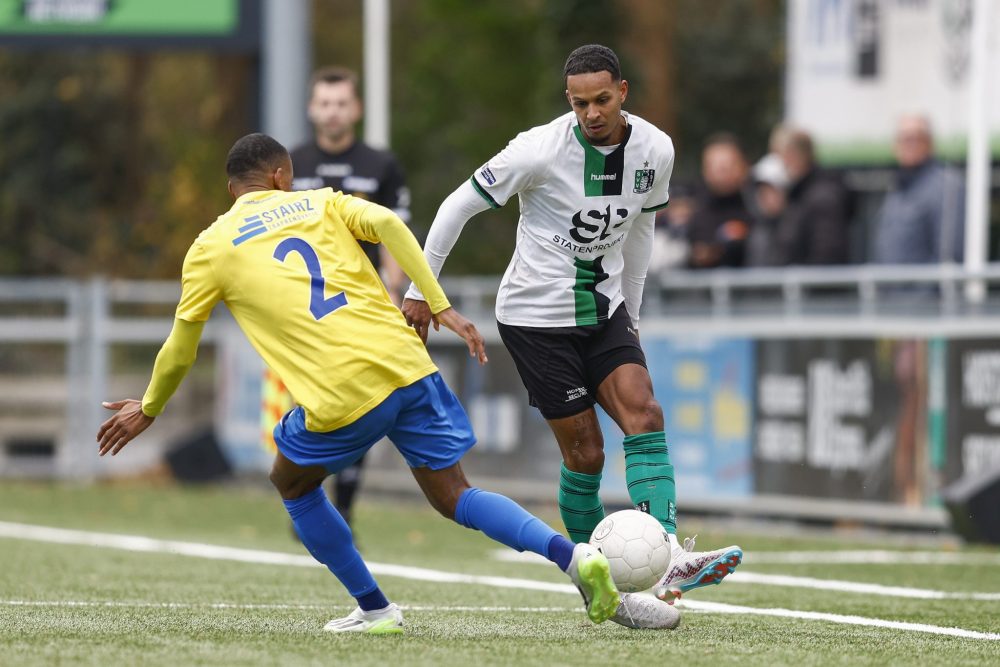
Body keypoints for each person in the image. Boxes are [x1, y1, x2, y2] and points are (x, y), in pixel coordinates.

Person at [96, 132, 677, 633]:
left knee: (292, 483)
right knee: (456, 495)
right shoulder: (318, 202)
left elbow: (181, 343)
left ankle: (374, 609)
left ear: (233, 191)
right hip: (407, 365)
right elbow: (386, 223)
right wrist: (435, 302)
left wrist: (148, 408)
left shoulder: (210, 248)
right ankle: (573, 557)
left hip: (341, 392)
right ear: (280, 177)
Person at [401, 44, 743, 615]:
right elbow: (456, 206)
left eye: (602, 100)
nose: (592, 113)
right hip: (535, 319)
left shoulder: (656, 149)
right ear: (570, 102)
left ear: (623, 92)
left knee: (645, 413)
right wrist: (420, 291)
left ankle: (667, 557)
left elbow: (639, 231)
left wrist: (632, 311)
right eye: (580, 103)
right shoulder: (537, 150)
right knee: (586, 454)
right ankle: (593, 574)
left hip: (604, 307)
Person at [281, 66, 413, 530]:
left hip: (363, 307)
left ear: (355, 109)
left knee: (359, 405)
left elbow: (397, 235)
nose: (333, 111)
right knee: (309, 406)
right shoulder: (289, 165)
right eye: (325, 102)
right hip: (303, 308)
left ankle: (344, 509)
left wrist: (396, 291)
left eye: (341, 103)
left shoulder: (381, 166)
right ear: (311, 108)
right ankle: (309, 504)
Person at [874, 114, 964, 266]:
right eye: (903, 139)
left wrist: (923, 288)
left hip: (921, 288)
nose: (909, 145)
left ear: (929, 143)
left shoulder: (947, 187)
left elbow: (950, 254)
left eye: (915, 138)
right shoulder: (896, 188)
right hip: (888, 288)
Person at [773, 129, 852, 265]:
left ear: (793, 155)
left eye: (780, 156)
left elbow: (826, 255)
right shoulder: (801, 193)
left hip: (810, 283)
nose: (781, 164)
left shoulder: (821, 197)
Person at [685, 133, 755, 269]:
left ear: (744, 167)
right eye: (713, 166)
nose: (720, 173)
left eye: (726, 166)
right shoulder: (696, 211)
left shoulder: (758, 206)